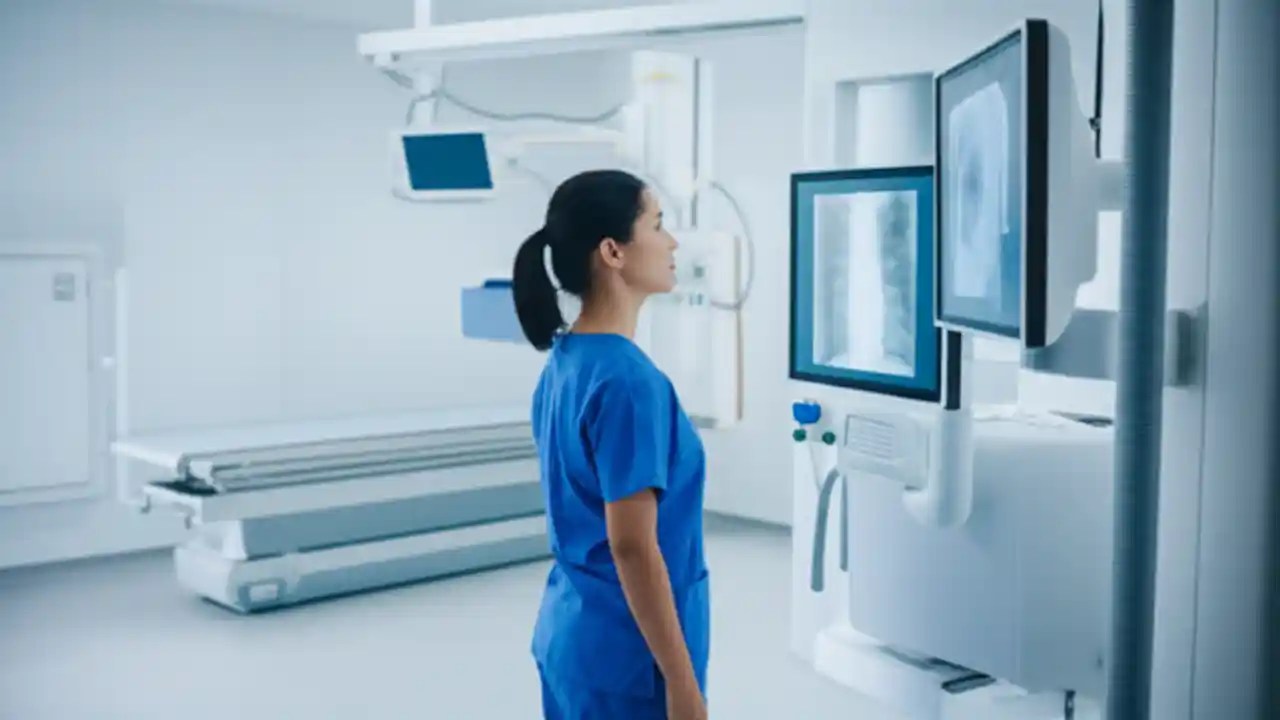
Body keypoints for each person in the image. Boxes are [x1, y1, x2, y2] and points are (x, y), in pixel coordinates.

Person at [511, 169, 711, 720]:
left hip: (575, 636)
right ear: (613, 252)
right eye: (657, 224)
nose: (671, 243)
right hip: (630, 659)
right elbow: (632, 546)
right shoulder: (629, 383)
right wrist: (681, 682)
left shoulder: (567, 360)